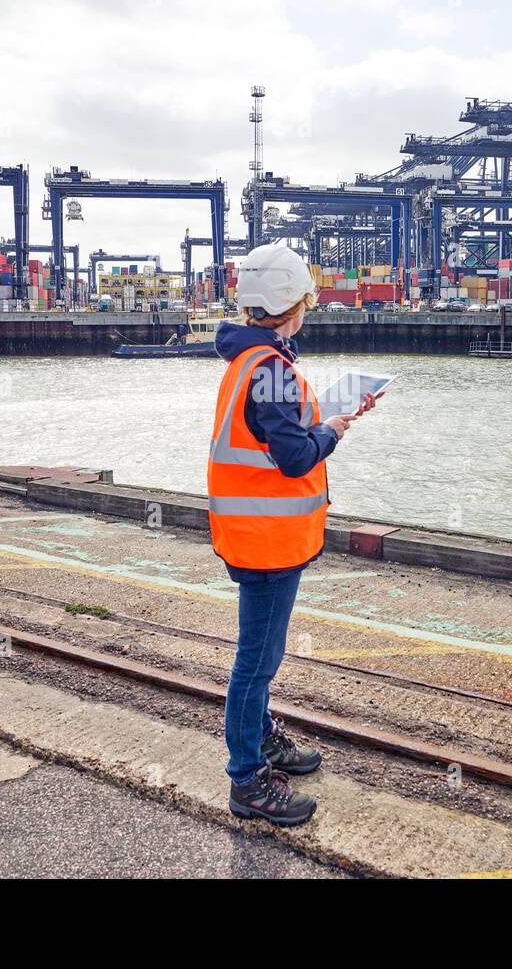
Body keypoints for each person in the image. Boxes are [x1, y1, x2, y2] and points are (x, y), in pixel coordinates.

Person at [208, 242, 374, 826]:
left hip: (255, 533)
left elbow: (269, 439)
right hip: (267, 541)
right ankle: (247, 780)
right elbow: (295, 457)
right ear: (292, 305)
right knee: (257, 661)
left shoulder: (250, 361)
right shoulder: (271, 370)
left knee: (260, 657)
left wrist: (317, 424)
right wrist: (332, 430)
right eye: (305, 298)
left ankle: (262, 745)